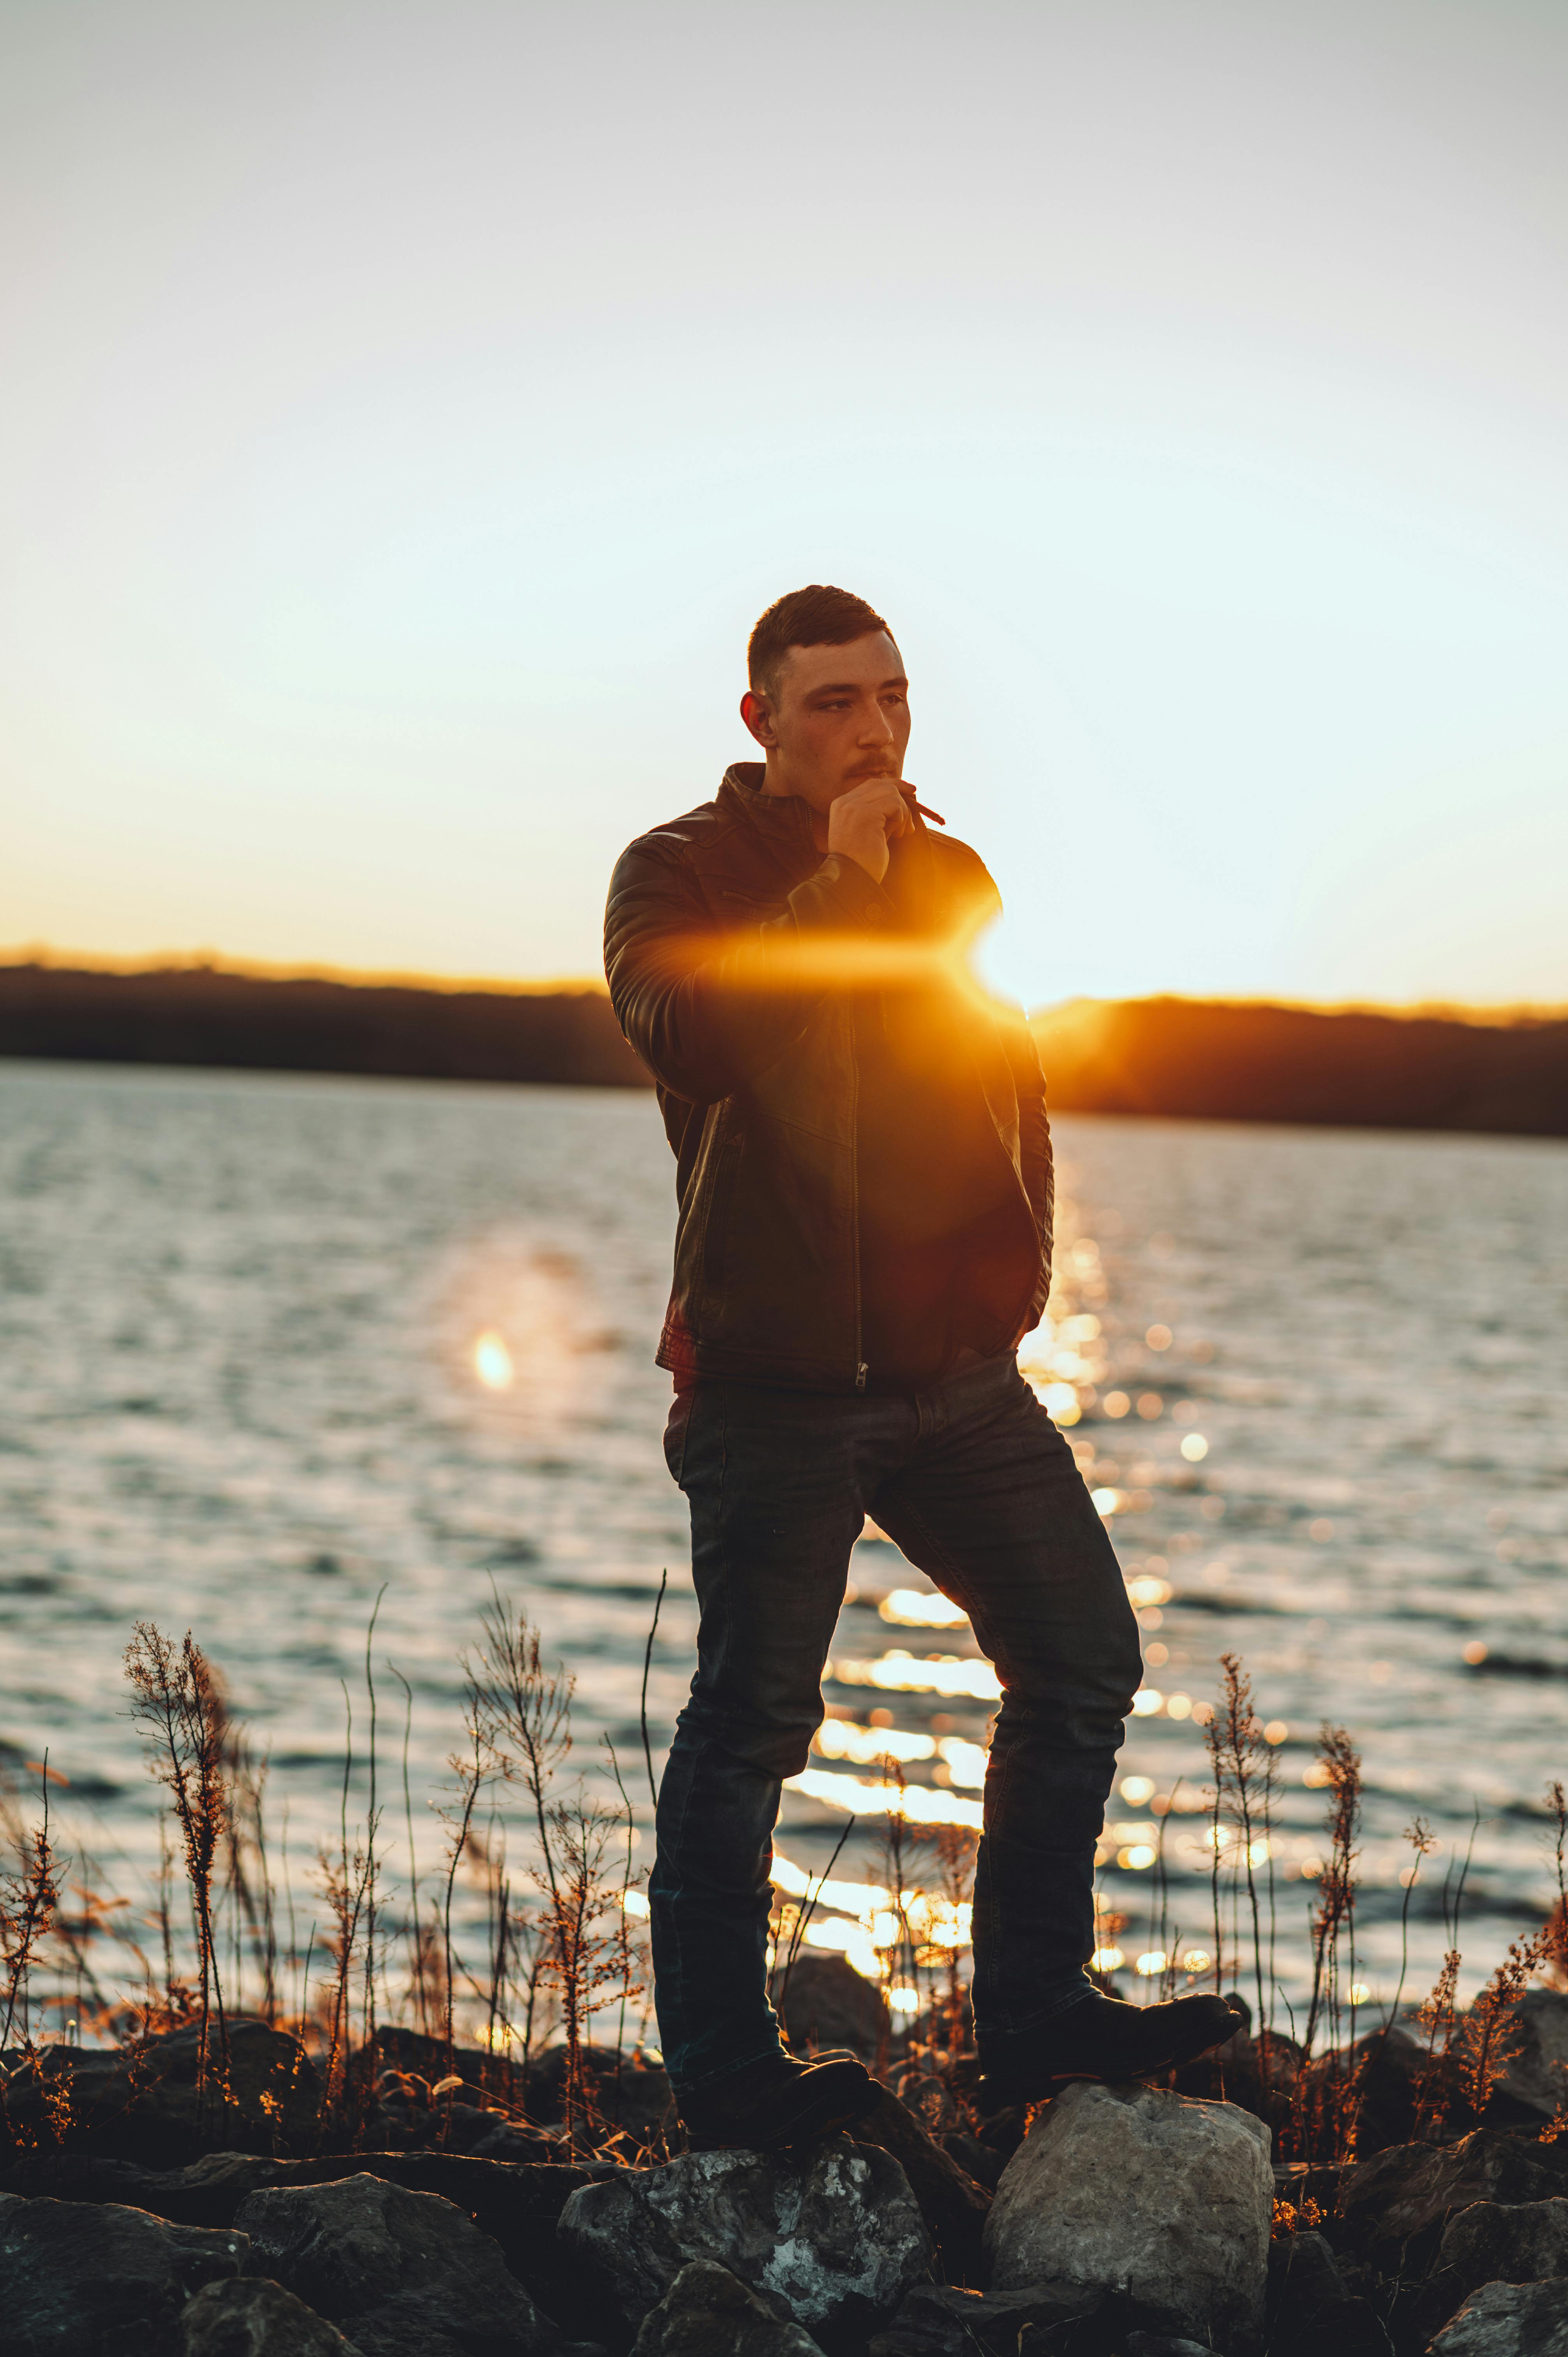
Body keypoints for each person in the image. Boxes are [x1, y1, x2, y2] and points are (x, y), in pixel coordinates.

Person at [603, 584, 1235, 2150]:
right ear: (760, 720)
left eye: (890, 695)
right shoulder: (676, 873)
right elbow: (705, 1038)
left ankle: (1028, 2015)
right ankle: (728, 2078)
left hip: (958, 1383)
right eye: (833, 702)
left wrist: (1012, 1272)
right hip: (773, 1389)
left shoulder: (952, 874)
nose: (873, 727)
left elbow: (996, 1076)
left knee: (1083, 1659)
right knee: (751, 1722)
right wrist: (832, 883)